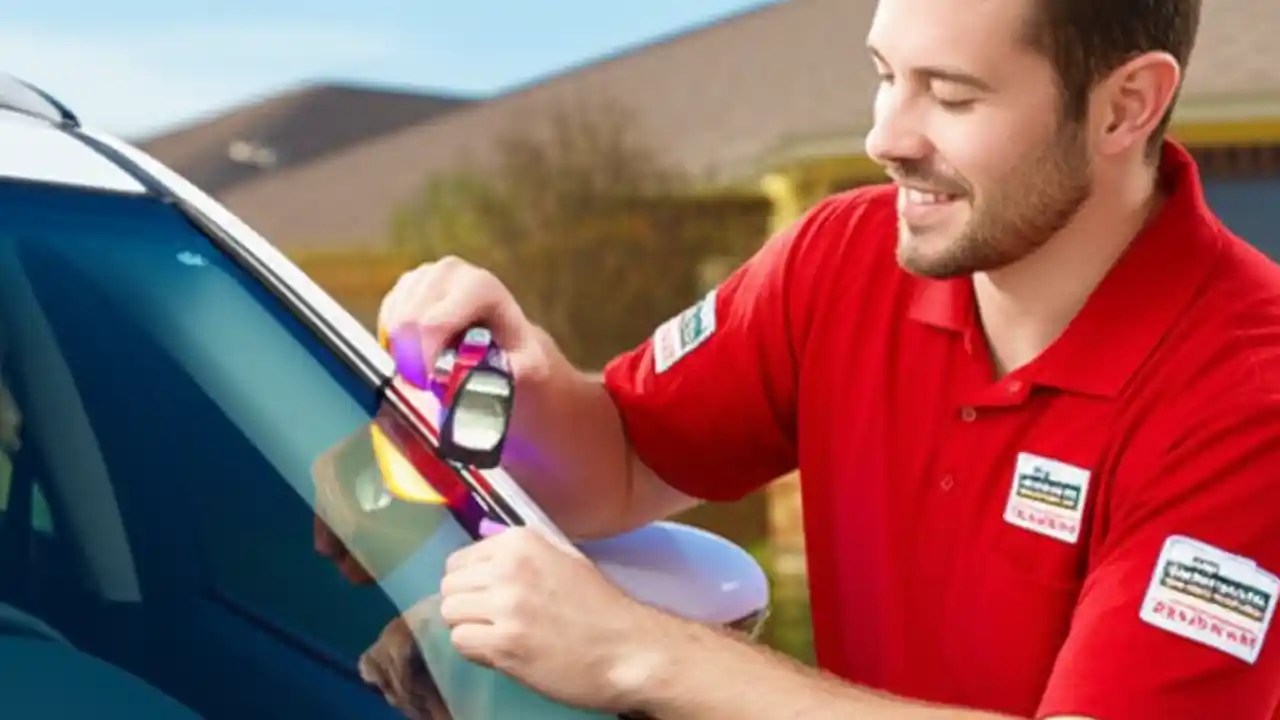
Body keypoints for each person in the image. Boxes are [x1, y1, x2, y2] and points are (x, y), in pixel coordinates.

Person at [358, 0, 1280, 717]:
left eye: (952, 95)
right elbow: (630, 459)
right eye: (886, 75)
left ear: (1127, 106)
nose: (887, 136)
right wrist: (525, 376)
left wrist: (637, 653)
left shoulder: (1247, 394)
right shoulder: (842, 258)